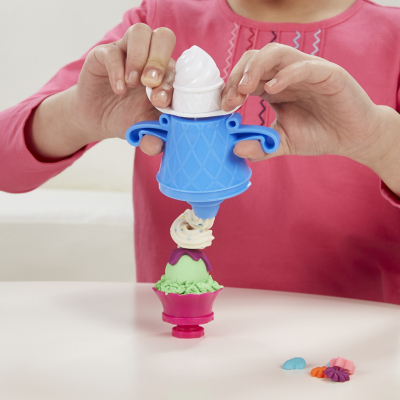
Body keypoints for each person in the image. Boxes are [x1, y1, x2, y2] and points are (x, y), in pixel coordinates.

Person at [1, 0, 400, 304]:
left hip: (349, 359)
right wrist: (77, 115)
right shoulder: (158, 22)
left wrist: (379, 140)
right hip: (173, 346)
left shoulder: (392, 38)